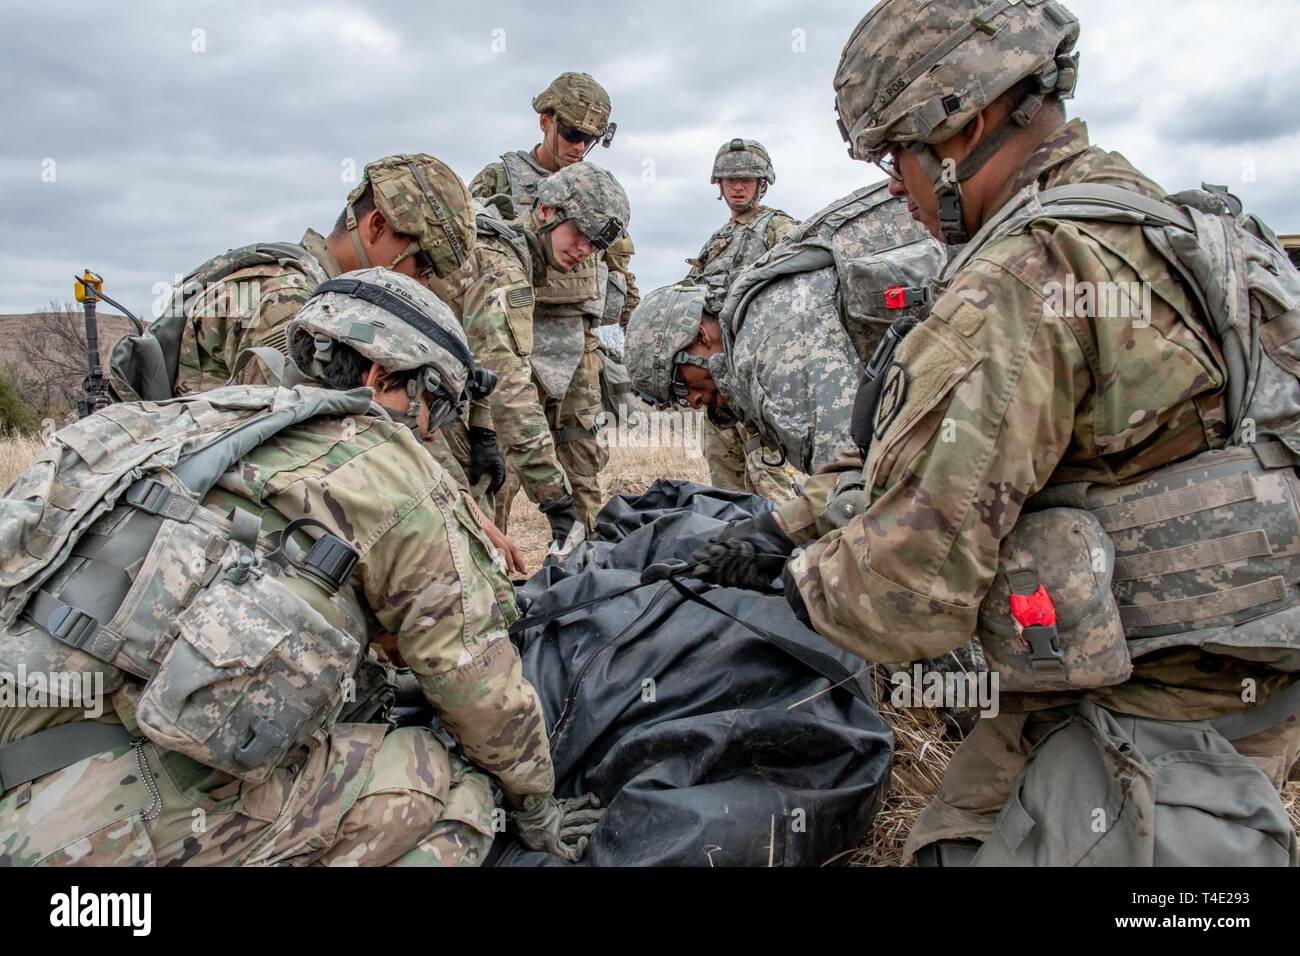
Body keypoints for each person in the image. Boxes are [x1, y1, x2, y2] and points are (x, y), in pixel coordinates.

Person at [691, 0, 1300, 866]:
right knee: (948, 840)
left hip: (1167, 714)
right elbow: (994, 469)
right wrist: (784, 526)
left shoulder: (1022, 275)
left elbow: (915, 585)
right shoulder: (1163, 219)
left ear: (963, 123)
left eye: (892, 156)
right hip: (1216, 661)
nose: (892, 189)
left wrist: (796, 586)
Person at [0, 268, 601, 866]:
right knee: (454, 790)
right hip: (88, 830)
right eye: (437, 405)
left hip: (28, 759)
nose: (430, 431)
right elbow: (479, 685)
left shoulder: (173, 424)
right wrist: (535, 807)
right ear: (381, 375)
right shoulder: (389, 470)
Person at [470, 73, 639, 529]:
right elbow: (470, 247)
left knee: (583, 462)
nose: (580, 146)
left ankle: (586, 564)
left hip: (578, 343)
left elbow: (618, 264)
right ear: (545, 120)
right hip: (510, 335)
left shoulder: (598, 189)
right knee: (498, 461)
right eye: (572, 134)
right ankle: (495, 565)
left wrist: (633, 322)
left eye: (592, 139)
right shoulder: (502, 176)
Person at [683, 139, 798, 501]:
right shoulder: (716, 242)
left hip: (761, 381)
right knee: (727, 488)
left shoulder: (780, 229)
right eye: (729, 179)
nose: (737, 186)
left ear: (762, 182)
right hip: (719, 383)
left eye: (746, 178)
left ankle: (790, 555)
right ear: (719, 185)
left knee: (771, 484)